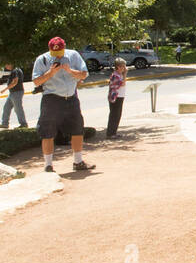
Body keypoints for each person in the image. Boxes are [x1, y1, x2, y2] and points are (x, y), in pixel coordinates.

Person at [31, 36, 92, 173]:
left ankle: (78, 162)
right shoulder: (43, 59)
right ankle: (48, 165)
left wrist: (70, 71)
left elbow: (84, 74)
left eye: (59, 53)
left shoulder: (74, 55)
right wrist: (51, 72)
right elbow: (36, 81)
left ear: (64, 48)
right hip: (52, 98)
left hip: (70, 98)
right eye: (54, 53)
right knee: (47, 132)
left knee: (77, 129)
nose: (57, 56)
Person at [0, 60, 28, 129]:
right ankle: (5, 123)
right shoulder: (15, 70)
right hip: (13, 92)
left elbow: (15, 82)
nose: (6, 66)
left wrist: (5, 89)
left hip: (16, 92)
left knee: (18, 108)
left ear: (11, 64)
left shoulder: (16, 70)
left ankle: (23, 124)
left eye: (6, 64)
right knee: (6, 107)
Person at [106, 58, 128, 138]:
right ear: (118, 67)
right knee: (114, 115)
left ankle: (113, 132)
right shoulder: (115, 75)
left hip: (120, 96)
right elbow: (122, 84)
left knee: (117, 115)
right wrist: (125, 74)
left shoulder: (119, 74)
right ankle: (110, 133)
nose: (124, 68)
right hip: (116, 97)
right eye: (122, 66)